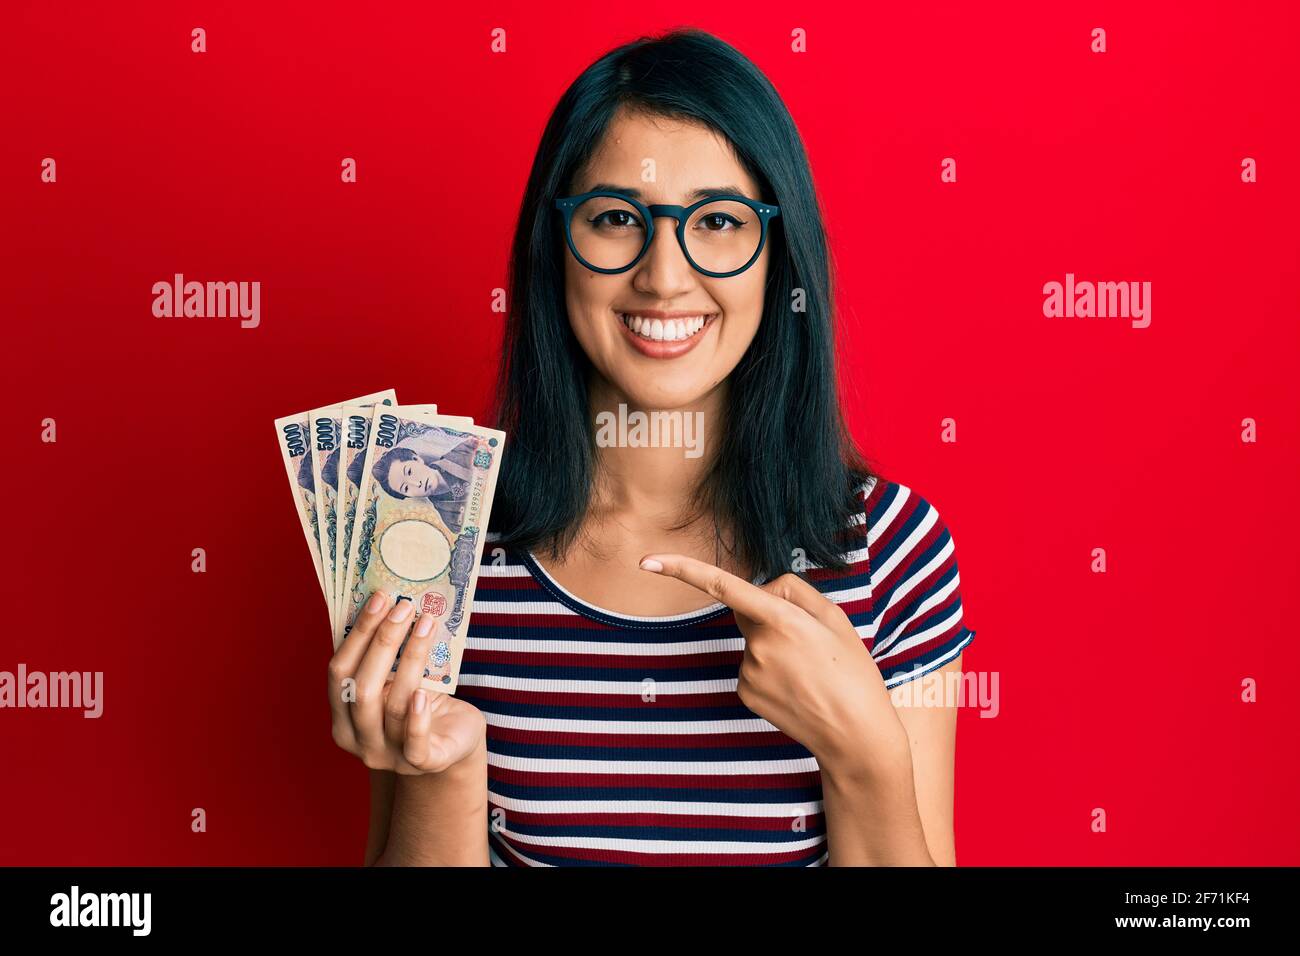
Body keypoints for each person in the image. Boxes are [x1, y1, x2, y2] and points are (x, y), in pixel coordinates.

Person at [328, 27, 977, 867]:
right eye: (614, 218)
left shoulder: (894, 551)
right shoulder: (434, 540)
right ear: (552, 249)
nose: (664, 277)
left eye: (716, 220)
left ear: (781, 257)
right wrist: (441, 773)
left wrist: (866, 761)